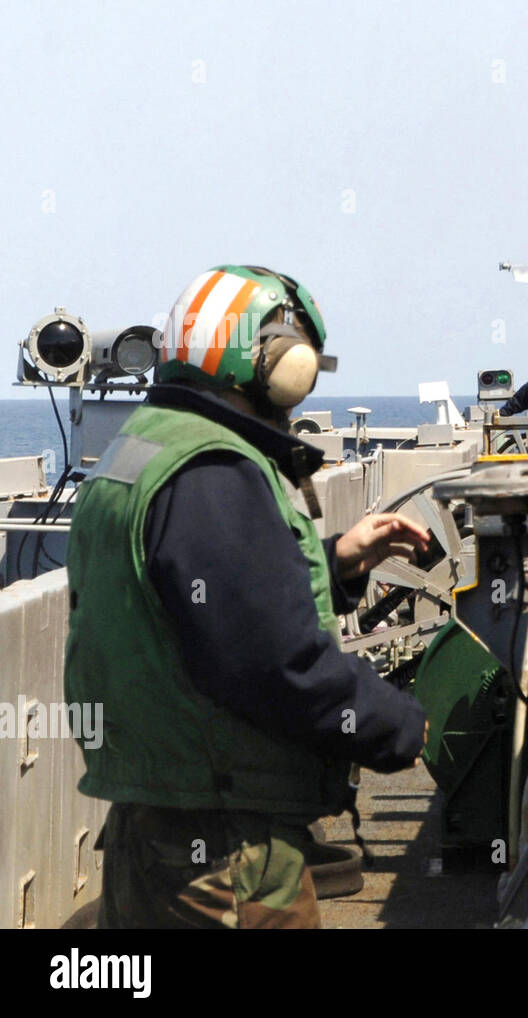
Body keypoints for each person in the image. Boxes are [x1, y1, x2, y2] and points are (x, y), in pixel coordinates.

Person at [63, 265, 431, 929]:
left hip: (151, 835)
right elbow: (273, 661)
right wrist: (398, 724)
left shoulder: (141, 448)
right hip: (229, 854)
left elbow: (194, 600)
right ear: (274, 363)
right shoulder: (215, 469)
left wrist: (335, 563)